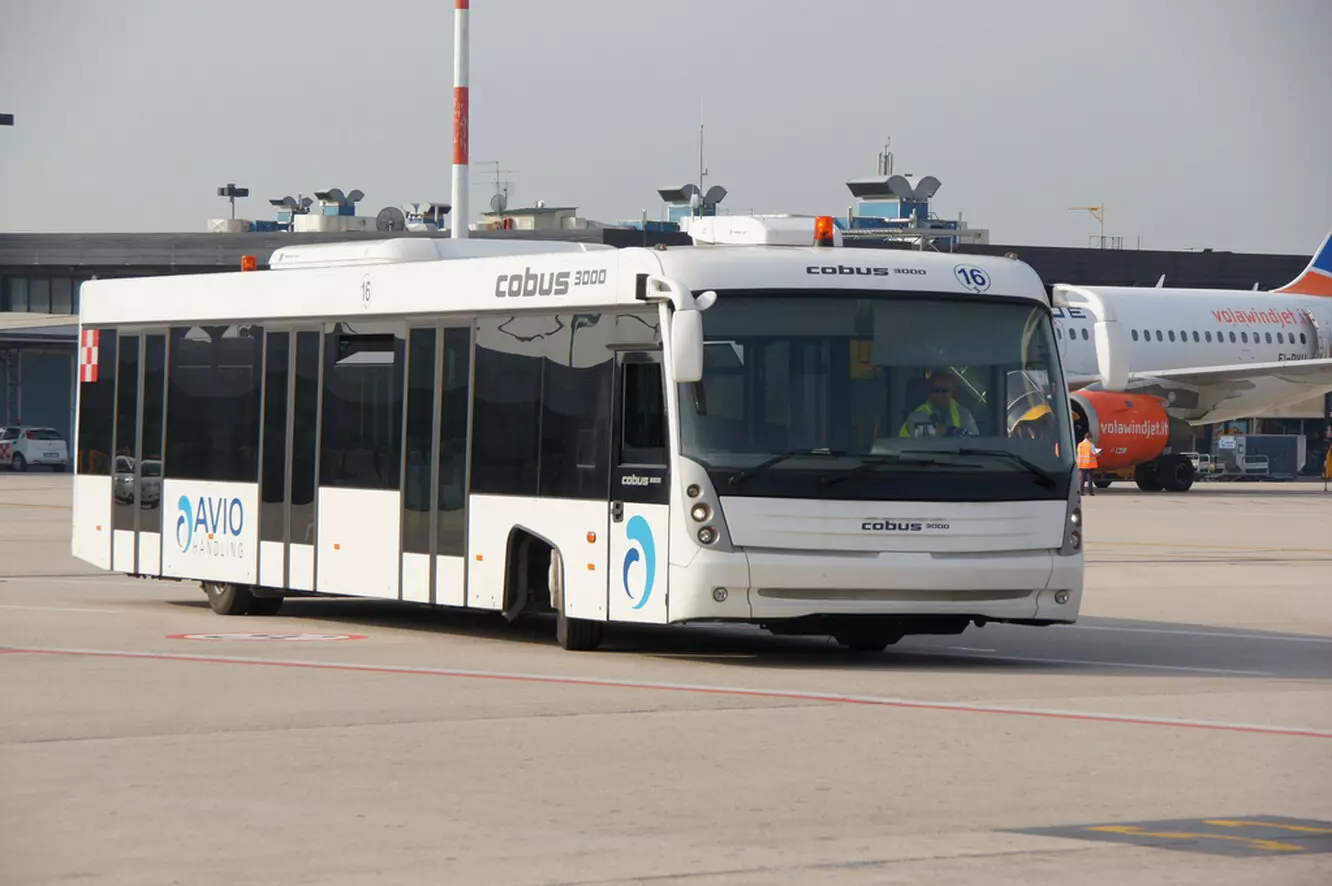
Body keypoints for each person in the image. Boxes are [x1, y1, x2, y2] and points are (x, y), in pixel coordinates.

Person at [899, 369, 979, 438]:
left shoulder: (963, 414)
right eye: (935, 390)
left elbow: (974, 440)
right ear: (929, 392)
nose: (940, 395)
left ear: (952, 392)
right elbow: (922, 433)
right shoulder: (918, 415)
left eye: (945, 391)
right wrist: (950, 432)